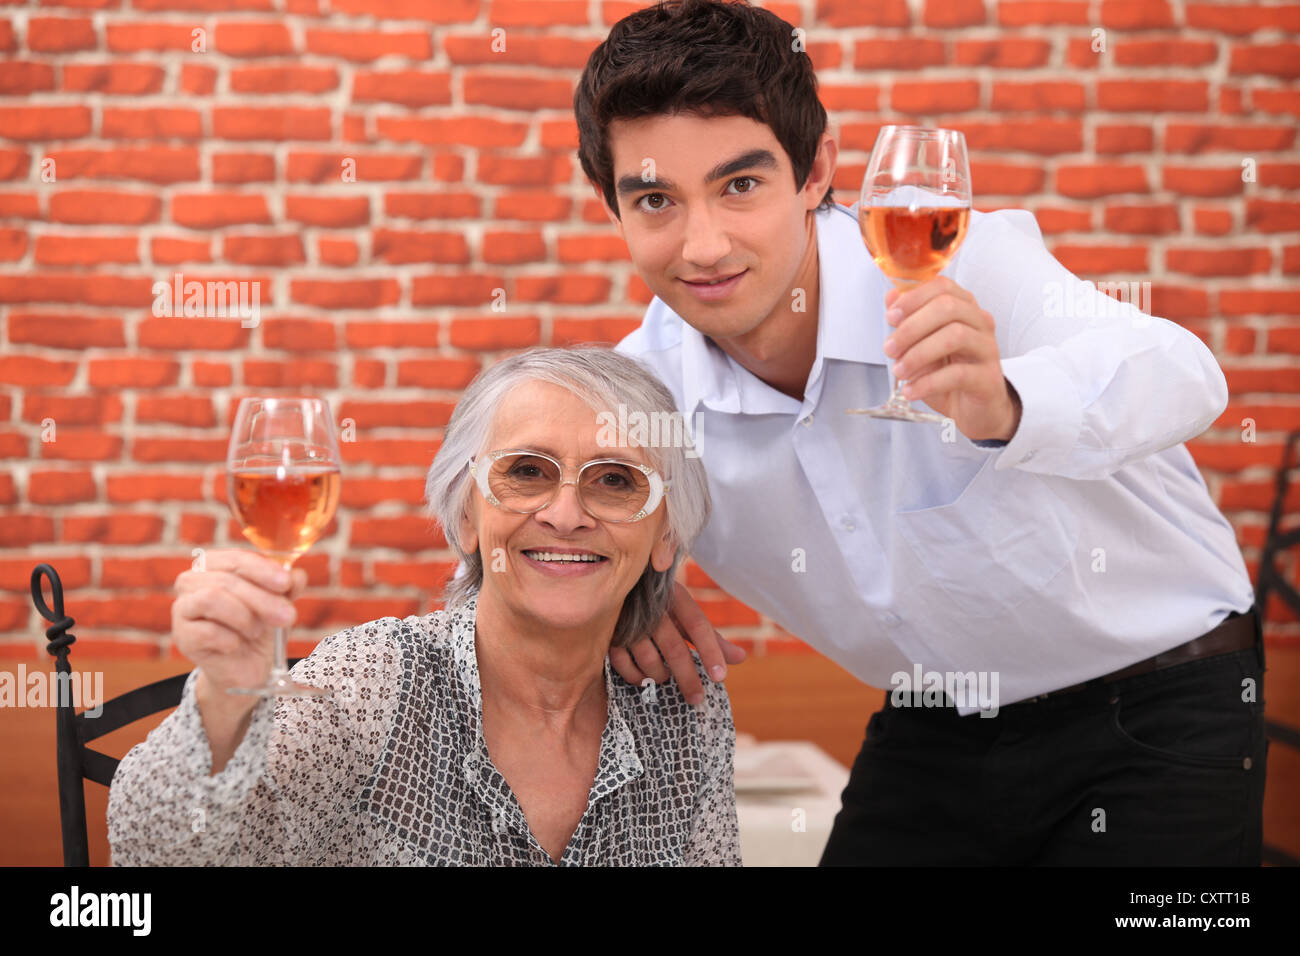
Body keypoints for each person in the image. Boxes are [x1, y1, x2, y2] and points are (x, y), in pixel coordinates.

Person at [573, 0, 1266, 864]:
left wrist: (1006, 402)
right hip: (937, 721)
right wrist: (614, 588)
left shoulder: (953, 264)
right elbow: (523, 519)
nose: (703, 244)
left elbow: (1184, 373)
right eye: (654, 199)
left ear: (818, 170)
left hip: (1158, 693)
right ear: (612, 205)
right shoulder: (643, 400)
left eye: (740, 185)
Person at [108, 347, 740, 866]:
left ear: (665, 536)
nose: (566, 515)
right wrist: (223, 697)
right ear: (467, 515)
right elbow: (155, 855)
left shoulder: (685, 713)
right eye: (526, 471)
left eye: (615, 480)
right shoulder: (376, 681)